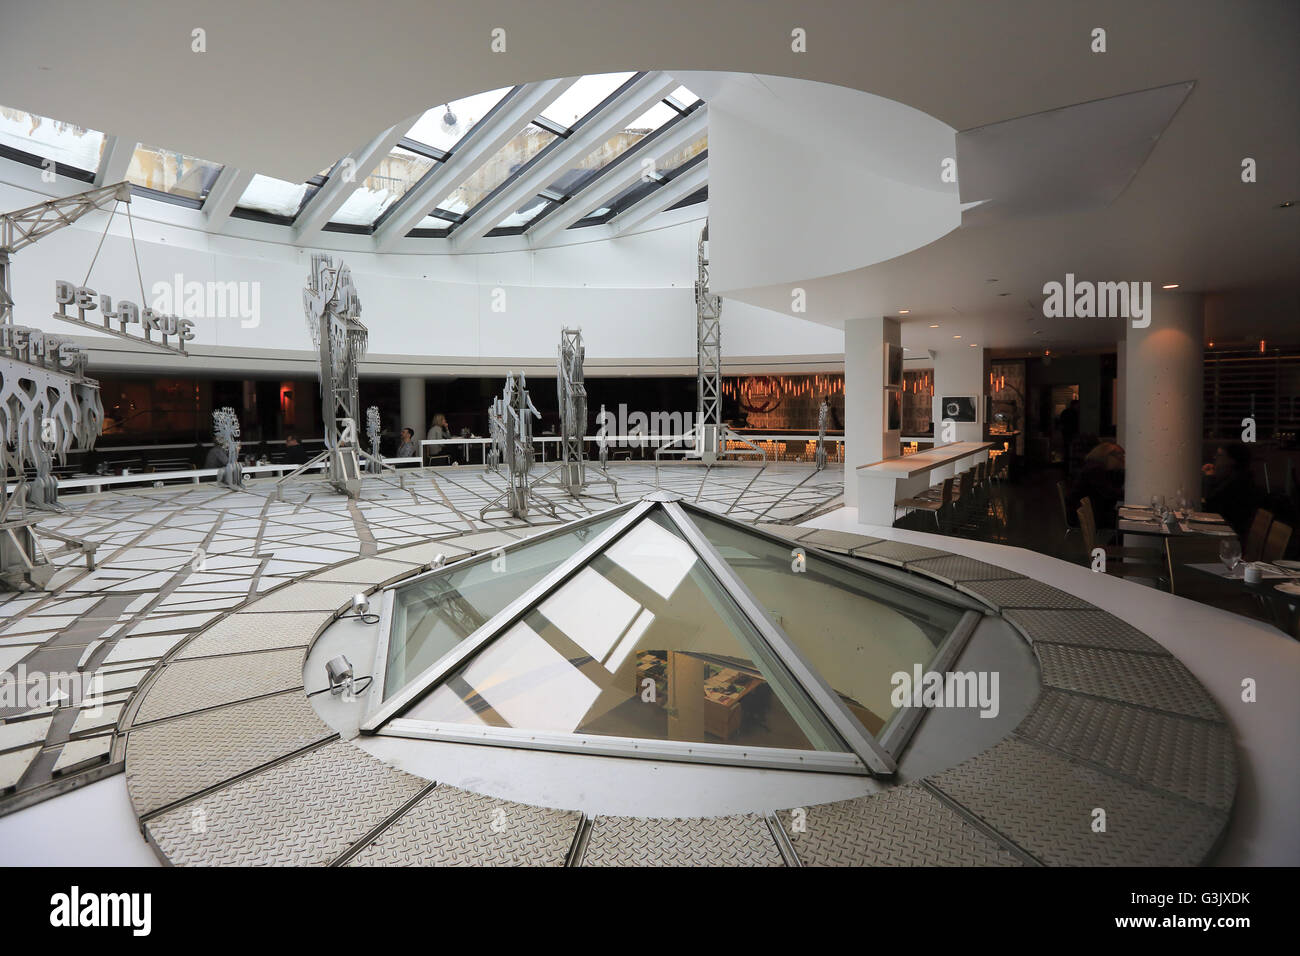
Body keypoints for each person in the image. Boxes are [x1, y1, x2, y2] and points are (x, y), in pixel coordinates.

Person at [1203, 443, 1259, 539]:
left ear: (1232, 461)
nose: (1215, 458)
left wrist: (1210, 477)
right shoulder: (1239, 477)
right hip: (1231, 531)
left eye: (1220, 455)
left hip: (1231, 536)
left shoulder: (1237, 481)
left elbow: (1211, 504)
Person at [1068, 440, 1125, 529]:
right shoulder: (1094, 470)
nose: (1122, 459)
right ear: (1108, 456)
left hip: (1089, 510)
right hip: (1084, 514)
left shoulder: (1095, 466)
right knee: (1124, 522)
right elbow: (1108, 492)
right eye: (1120, 456)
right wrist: (1130, 495)